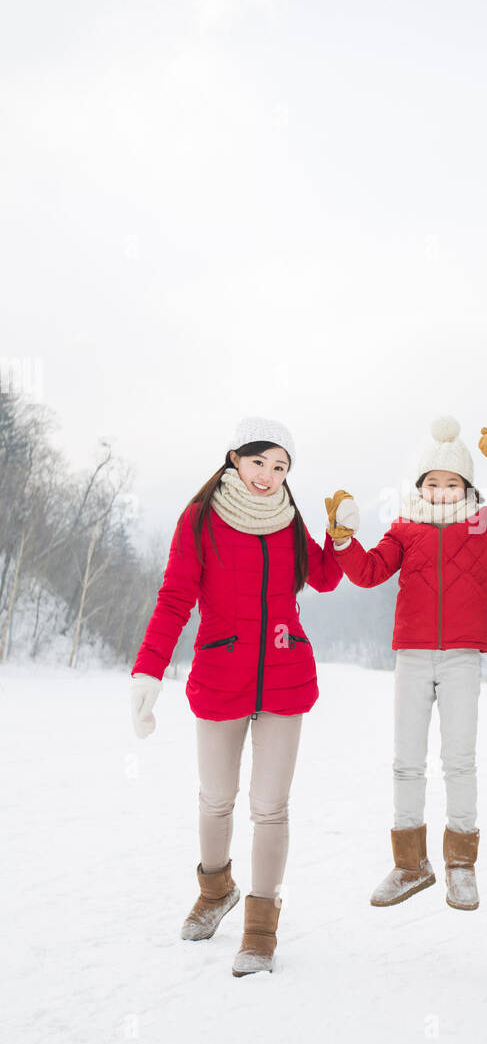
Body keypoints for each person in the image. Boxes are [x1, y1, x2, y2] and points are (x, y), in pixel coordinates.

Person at [129, 416, 343, 977]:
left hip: (285, 675)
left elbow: (323, 578)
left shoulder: (289, 523)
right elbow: (175, 597)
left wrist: (339, 537)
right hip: (221, 673)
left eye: (280, 467)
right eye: (259, 463)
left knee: (270, 807)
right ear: (233, 459)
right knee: (216, 799)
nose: (268, 477)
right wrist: (149, 671)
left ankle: (260, 926)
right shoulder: (200, 520)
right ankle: (215, 888)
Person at [324, 416, 487, 910]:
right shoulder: (404, 530)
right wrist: (342, 541)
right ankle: (409, 865)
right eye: (433, 483)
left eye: (452, 483)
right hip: (413, 657)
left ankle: (461, 865)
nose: (442, 491)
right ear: (420, 486)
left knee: (459, 761)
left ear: (466, 486)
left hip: (463, 657)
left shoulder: (484, 524)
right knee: (406, 762)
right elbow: (369, 572)